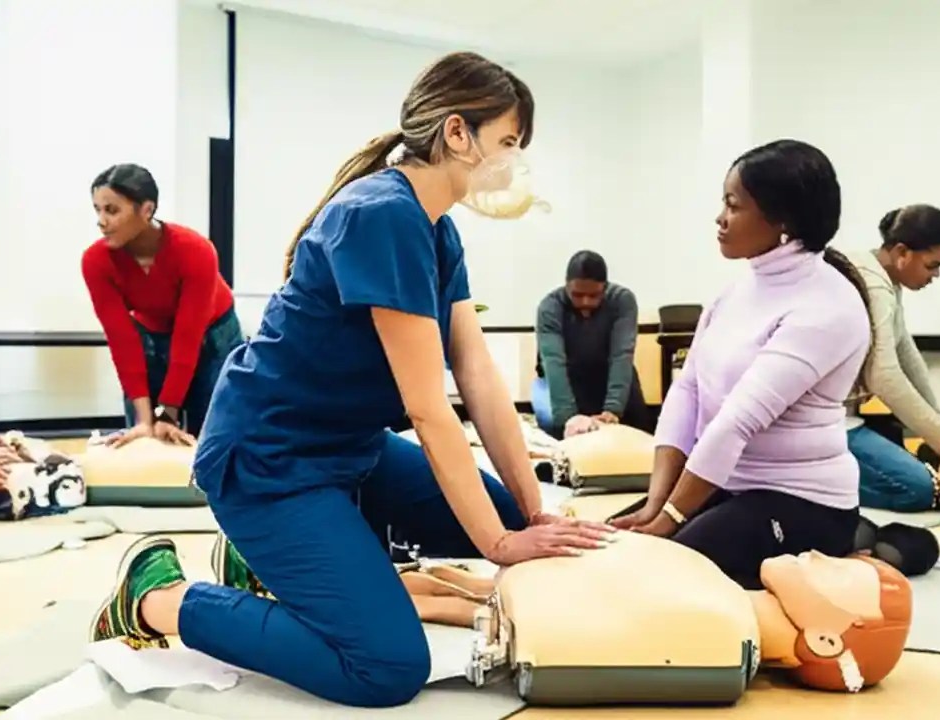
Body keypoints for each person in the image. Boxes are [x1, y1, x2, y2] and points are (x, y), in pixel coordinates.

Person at [85, 51, 614, 708]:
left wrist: (530, 514)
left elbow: (478, 376)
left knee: (518, 521)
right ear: (457, 132)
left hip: (349, 450)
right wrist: (500, 546)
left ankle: (268, 568)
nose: (512, 160)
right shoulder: (382, 214)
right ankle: (158, 597)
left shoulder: (437, 231)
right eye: (507, 141)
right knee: (386, 667)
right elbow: (429, 408)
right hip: (269, 462)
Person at [610, 139, 870, 590]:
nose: (720, 217)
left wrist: (674, 516)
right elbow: (687, 389)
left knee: (660, 570)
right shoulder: (734, 293)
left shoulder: (828, 306)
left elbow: (735, 422)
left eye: (734, 204)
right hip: (726, 488)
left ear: (782, 219)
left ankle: (861, 547)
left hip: (803, 502)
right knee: (611, 545)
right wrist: (657, 502)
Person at [844, 205, 940, 511]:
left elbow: (905, 353)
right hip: (818, 424)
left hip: (838, 418)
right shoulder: (872, 282)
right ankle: (802, 487)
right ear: (902, 252)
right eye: (931, 265)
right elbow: (883, 375)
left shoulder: (882, 274)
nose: (936, 274)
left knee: (911, 462)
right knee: (919, 490)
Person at [81, 164, 242, 445]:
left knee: (211, 436)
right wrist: (147, 419)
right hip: (151, 336)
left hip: (212, 334)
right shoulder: (96, 261)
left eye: (112, 210)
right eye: (97, 210)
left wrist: (168, 412)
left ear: (147, 210)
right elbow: (122, 341)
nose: (101, 221)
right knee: (148, 435)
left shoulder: (195, 250)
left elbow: (187, 336)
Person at [533, 250, 652, 438]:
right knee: (557, 433)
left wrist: (613, 409)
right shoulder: (550, 307)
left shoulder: (622, 300)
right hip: (566, 381)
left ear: (604, 288)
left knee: (636, 435)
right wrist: (568, 417)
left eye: (594, 295)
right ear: (566, 286)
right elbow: (553, 361)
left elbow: (621, 354)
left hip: (611, 378)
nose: (585, 302)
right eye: (577, 295)